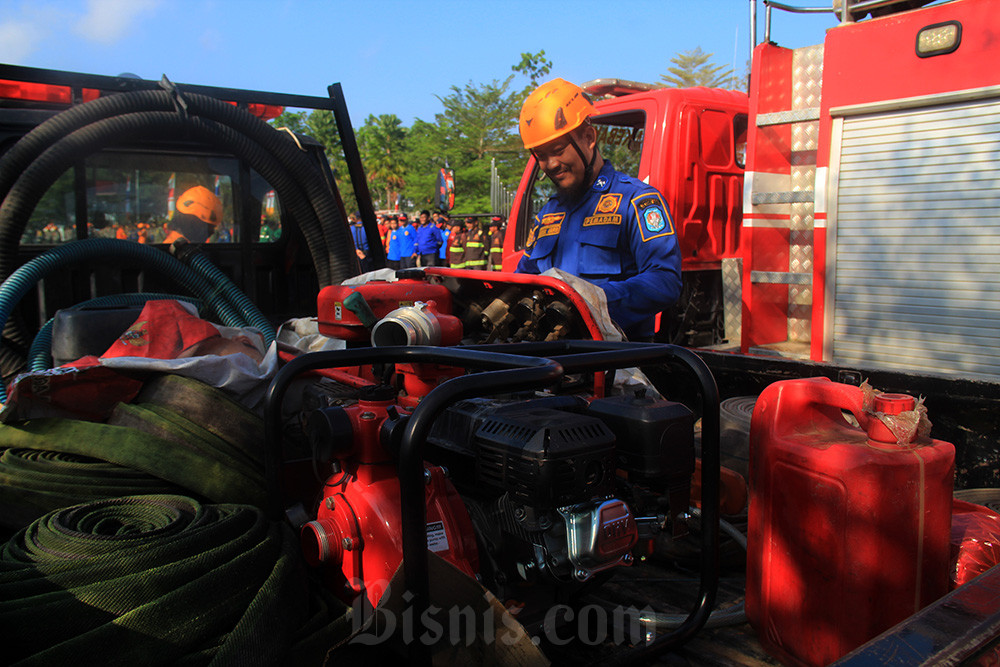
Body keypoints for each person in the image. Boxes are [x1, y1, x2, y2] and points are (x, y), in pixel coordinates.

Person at [515, 78, 682, 341]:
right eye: (541, 156)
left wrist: (594, 301)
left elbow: (665, 281)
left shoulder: (637, 201)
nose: (551, 164)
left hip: (615, 366)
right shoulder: (548, 214)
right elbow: (523, 279)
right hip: (549, 364)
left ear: (589, 138)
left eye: (558, 150)